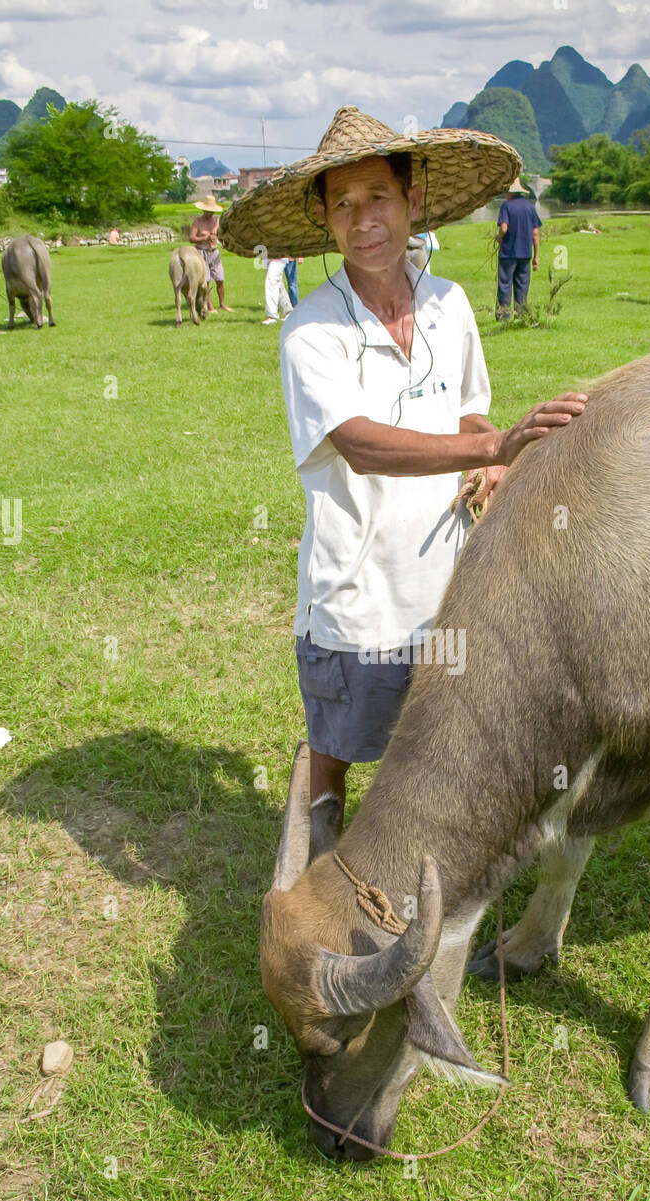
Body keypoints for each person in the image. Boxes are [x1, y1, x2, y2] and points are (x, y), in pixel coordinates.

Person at [219, 105, 587, 853]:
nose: (364, 220)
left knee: (441, 741)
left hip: (452, 583)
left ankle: (417, 861)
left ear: (413, 200)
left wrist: (493, 453)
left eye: (378, 198)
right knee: (342, 739)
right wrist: (499, 443)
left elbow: (469, 417)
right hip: (359, 586)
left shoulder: (450, 305)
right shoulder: (310, 330)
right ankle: (320, 850)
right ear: (324, 218)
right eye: (344, 204)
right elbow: (361, 446)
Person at [495, 176, 540, 320]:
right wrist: (536, 257)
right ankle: (521, 315)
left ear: (509, 192)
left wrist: (499, 238)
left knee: (505, 284)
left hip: (508, 253)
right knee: (522, 285)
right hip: (525, 253)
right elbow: (535, 233)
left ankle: (504, 315)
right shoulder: (530, 207)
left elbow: (503, 228)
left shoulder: (506, 206)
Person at [189, 195, 233, 312]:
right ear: (204, 210)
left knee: (220, 278)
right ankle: (209, 306)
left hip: (214, 252)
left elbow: (222, 235)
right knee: (206, 280)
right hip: (201, 253)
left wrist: (218, 237)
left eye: (212, 211)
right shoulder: (197, 222)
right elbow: (191, 238)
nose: (210, 214)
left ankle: (222, 304)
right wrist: (204, 238)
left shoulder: (216, 221)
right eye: (208, 211)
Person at [262, 258, 293, 323]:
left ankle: (272, 316)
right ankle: (288, 312)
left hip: (279, 257)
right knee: (278, 284)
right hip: (268, 257)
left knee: (271, 283)